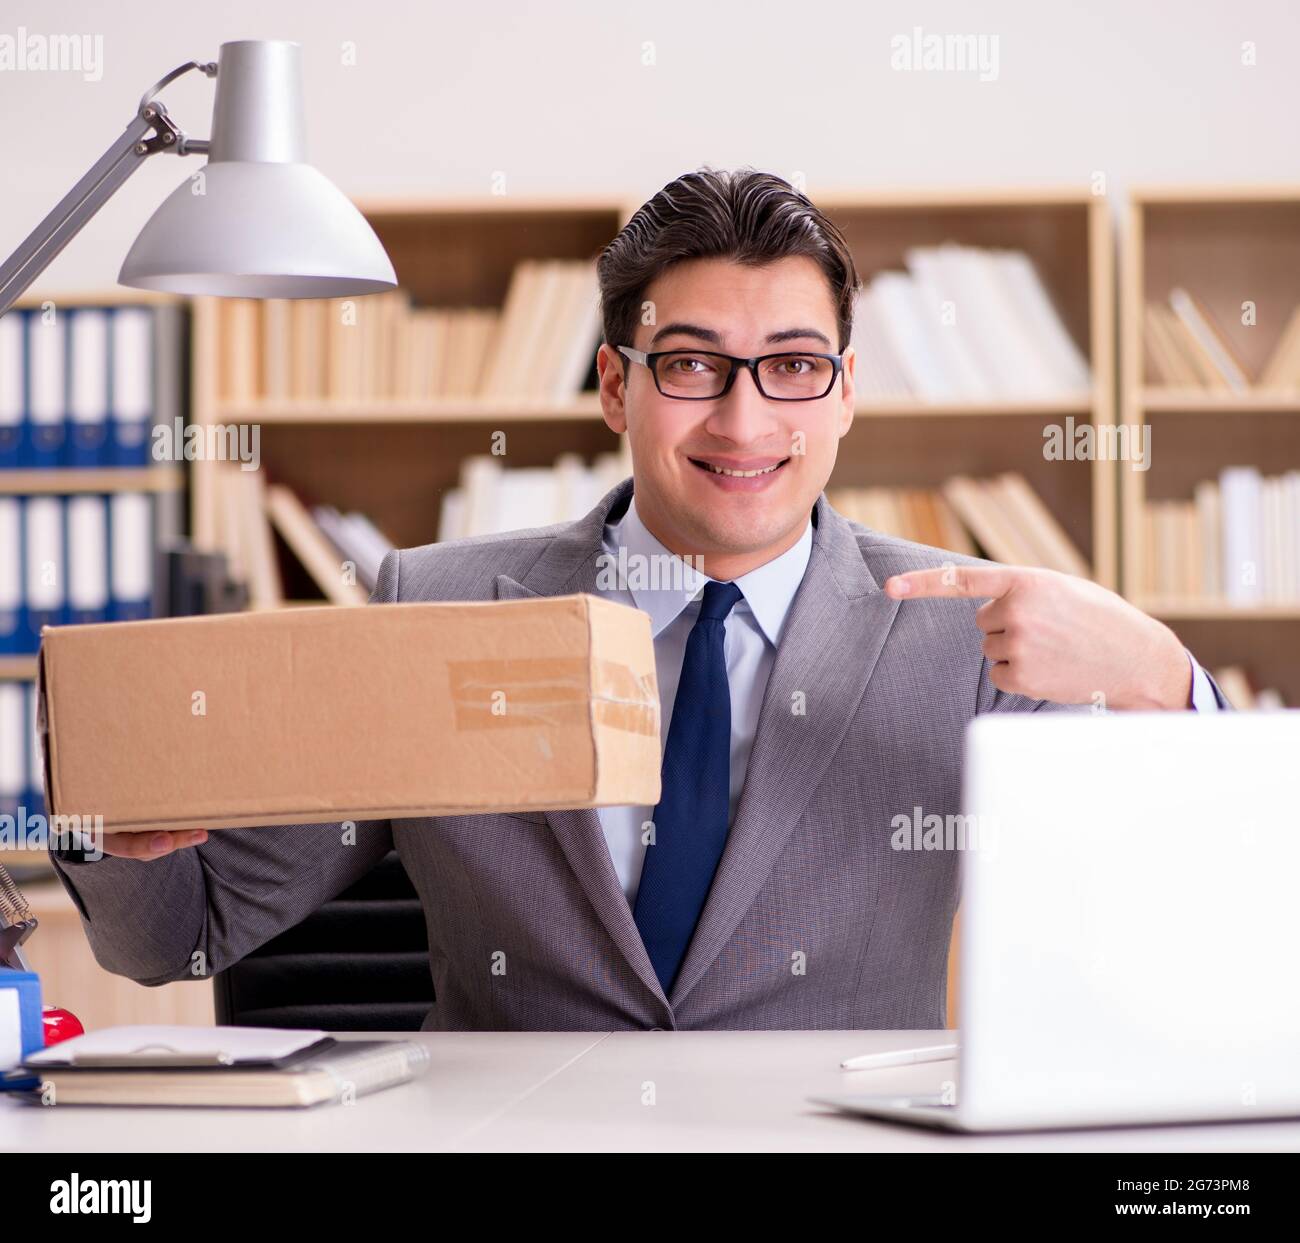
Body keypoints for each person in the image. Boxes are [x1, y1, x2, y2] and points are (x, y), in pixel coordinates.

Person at [50, 168, 1225, 1032]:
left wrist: (1163, 676)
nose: (744, 421)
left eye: (794, 366)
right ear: (615, 384)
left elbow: (1195, 908)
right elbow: (181, 932)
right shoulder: (438, 603)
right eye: (692, 364)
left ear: (845, 392)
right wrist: (112, 815)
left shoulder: (964, 635)